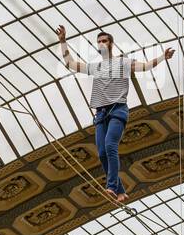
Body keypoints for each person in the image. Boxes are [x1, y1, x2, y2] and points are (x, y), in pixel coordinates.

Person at [55, 26, 175, 203]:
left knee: (110, 145)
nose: (101, 43)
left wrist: (163, 57)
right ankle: (120, 192)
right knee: (102, 153)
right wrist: (63, 41)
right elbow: (70, 64)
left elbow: (145, 66)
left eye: (105, 41)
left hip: (117, 109)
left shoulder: (123, 62)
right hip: (100, 114)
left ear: (111, 44)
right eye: (99, 41)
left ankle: (111, 186)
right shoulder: (95, 67)